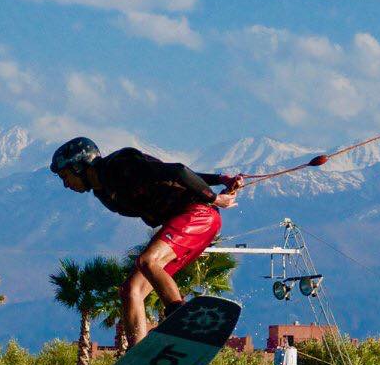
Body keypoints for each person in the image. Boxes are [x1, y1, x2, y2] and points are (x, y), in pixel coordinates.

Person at [51, 137, 243, 346]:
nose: (66, 184)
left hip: (198, 215)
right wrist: (222, 178)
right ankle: (137, 353)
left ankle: (180, 319)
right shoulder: (102, 190)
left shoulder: (120, 165)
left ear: (79, 166)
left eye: (65, 176)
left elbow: (178, 171)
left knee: (147, 260)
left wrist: (213, 198)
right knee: (130, 290)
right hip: (185, 222)